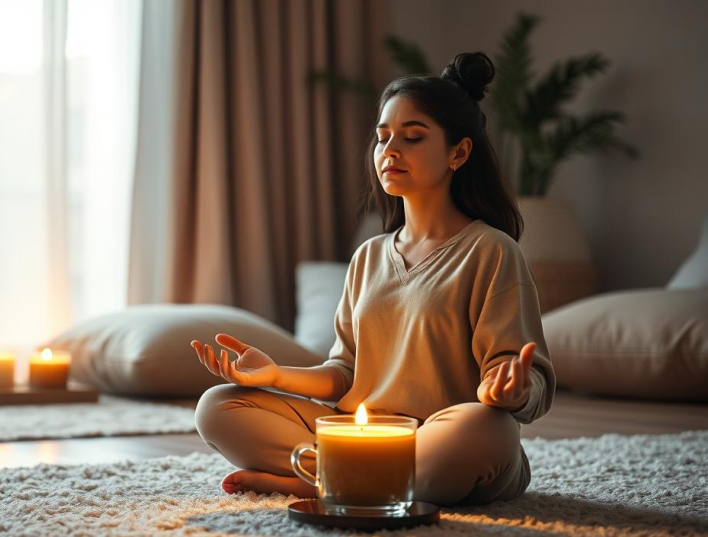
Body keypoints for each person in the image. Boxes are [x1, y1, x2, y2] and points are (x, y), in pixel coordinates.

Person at [191, 52, 556, 507]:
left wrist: (511, 391)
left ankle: (314, 482)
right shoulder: (368, 257)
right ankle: (360, 480)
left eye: (413, 137)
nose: (390, 151)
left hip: (443, 440)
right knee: (220, 406)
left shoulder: (491, 251)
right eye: (383, 138)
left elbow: (530, 380)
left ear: (458, 152)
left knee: (487, 427)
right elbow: (344, 374)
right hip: (364, 433)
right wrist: (275, 374)